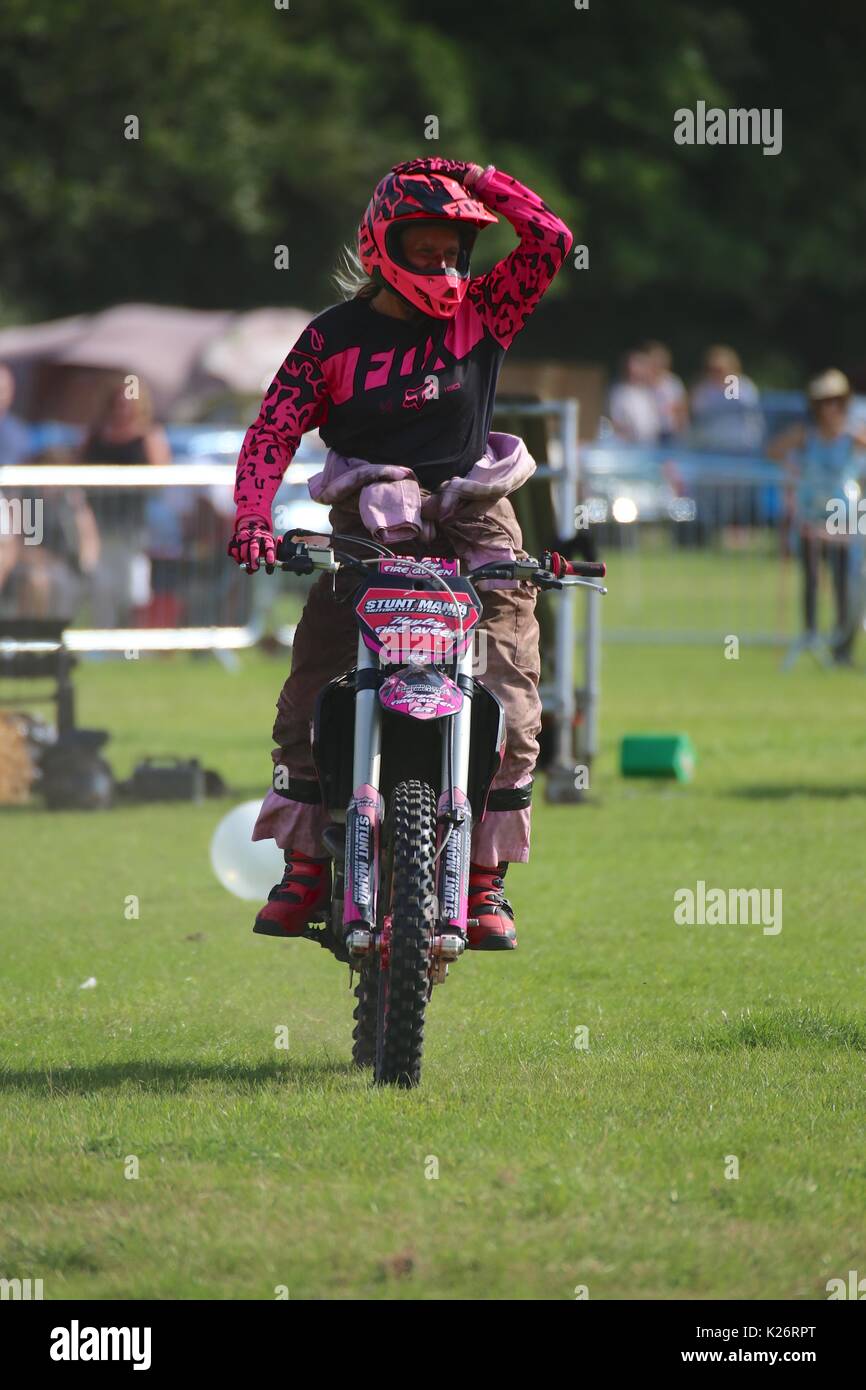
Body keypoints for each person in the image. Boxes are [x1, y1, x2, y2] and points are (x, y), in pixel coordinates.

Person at [228, 155, 573, 950]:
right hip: (362, 519)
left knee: (514, 691)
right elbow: (273, 430)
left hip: (477, 515)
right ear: (382, 243)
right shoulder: (332, 337)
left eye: (455, 248)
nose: (443, 263)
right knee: (312, 679)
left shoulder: (485, 312)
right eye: (425, 246)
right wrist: (252, 515)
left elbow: (550, 239)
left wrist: (483, 181)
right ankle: (307, 865)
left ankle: (486, 884)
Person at [767, 368, 866, 664]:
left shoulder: (852, 435)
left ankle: (841, 645)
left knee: (843, 582)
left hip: (842, 519)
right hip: (811, 516)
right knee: (810, 577)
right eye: (825, 401)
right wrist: (792, 468)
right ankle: (810, 635)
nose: (830, 407)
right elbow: (772, 451)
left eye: (835, 401)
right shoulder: (806, 435)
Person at [79, 380, 171, 628]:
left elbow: (161, 477)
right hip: (98, 526)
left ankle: (132, 646)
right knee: (101, 587)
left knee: (133, 589)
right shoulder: (96, 435)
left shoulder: (149, 436)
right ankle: (102, 644)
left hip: (134, 528)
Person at [690, 345, 763, 452]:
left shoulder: (743, 385)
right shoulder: (704, 388)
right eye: (712, 369)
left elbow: (746, 408)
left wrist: (727, 384)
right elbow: (698, 412)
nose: (715, 373)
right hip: (710, 446)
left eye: (719, 369)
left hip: (740, 446)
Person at [607, 350, 663, 443]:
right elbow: (616, 420)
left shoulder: (650, 391)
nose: (636, 369)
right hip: (629, 445)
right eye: (634, 365)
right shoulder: (620, 392)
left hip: (652, 443)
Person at [643, 340, 688, 441]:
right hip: (649, 432)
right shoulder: (642, 383)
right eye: (654, 360)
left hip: (670, 432)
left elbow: (681, 408)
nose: (657, 363)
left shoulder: (673, 382)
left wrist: (682, 430)